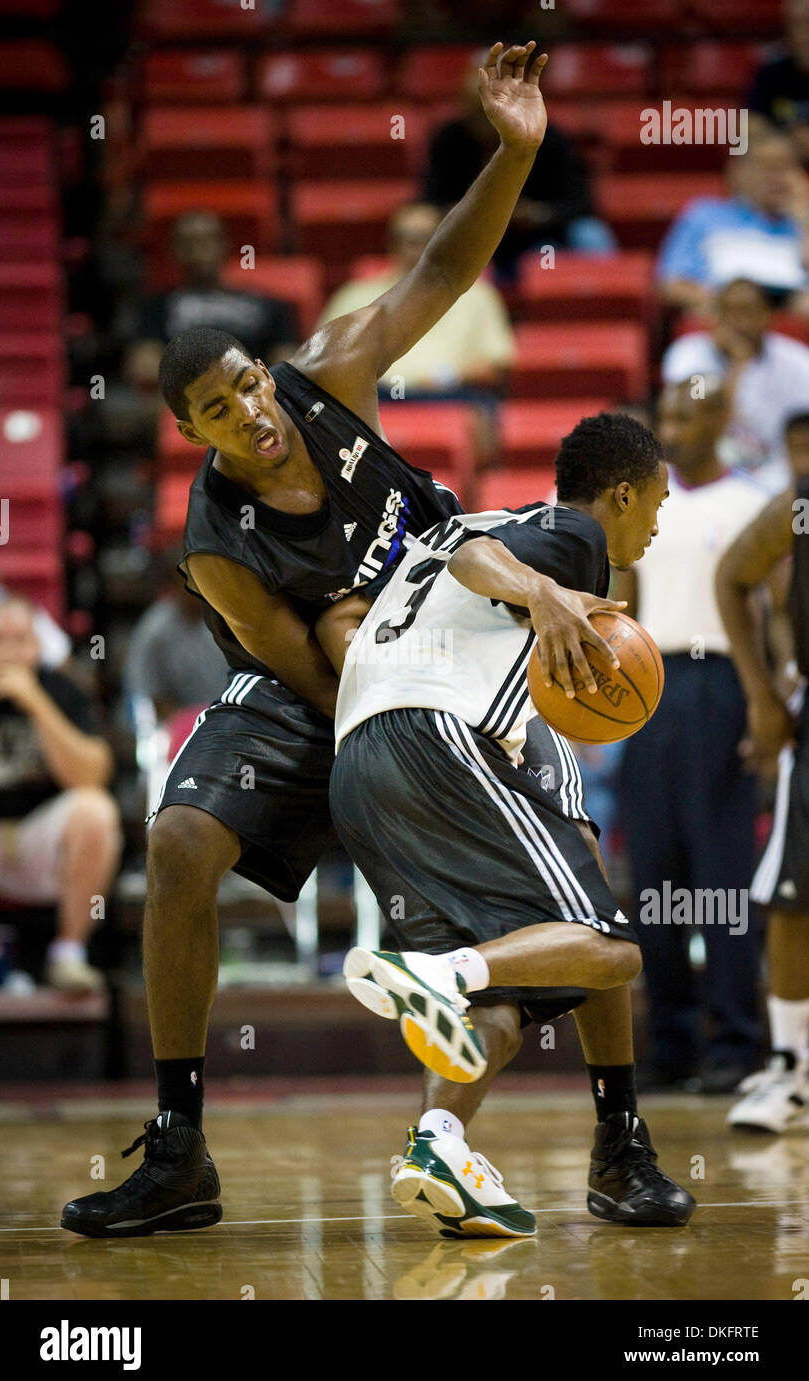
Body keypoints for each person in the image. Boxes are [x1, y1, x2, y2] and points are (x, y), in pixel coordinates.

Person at [60, 41, 629, 1239]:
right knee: (175, 846)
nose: (252, 422)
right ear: (191, 435)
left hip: (438, 633)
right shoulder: (216, 542)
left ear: (269, 374)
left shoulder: (335, 375)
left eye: (251, 392)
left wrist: (512, 152)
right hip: (317, 687)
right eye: (219, 417)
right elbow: (301, 658)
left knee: (562, 863)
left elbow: (440, 266)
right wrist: (390, 703)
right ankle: (180, 1144)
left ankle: (604, 1135)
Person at [320, 414, 695, 1232]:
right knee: (610, 945)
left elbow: (459, 556)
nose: (657, 525)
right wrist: (546, 592)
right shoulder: (566, 534)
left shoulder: (483, 530)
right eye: (655, 505)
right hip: (440, 737)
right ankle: (449, 982)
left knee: (506, 986)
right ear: (621, 493)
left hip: (358, 769)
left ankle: (439, 1145)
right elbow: (474, 560)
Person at [618, 381, 773, 1093]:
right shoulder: (647, 502)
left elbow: (770, 615)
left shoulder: (752, 503)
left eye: (684, 415)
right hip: (649, 686)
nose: (672, 429)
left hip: (722, 686)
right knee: (653, 878)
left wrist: (765, 699)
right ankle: (671, 1045)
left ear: (719, 416)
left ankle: (736, 1044)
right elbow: (627, 606)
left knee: (721, 880)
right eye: (664, 419)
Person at [716, 411, 809, 1132]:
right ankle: (791, 1068)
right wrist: (761, 695)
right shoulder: (796, 506)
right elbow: (732, 576)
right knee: (788, 895)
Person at [0, 598, 120, 992]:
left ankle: (68, 955)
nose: (11, 651)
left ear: (38, 647)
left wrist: (34, 702)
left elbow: (93, 775)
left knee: (96, 811)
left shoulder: (63, 689)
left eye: (21, 640)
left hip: (40, 846)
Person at [422, 52, 614, 278]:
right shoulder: (449, 138)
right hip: (472, 240)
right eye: (478, 112)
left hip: (540, 239)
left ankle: (600, 298)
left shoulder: (545, 136)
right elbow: (430, 202)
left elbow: (581, 202)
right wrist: (476, 212)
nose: (487, 121)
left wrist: (537, 213)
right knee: (421, 227)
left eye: (491, 111)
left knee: (591, 233)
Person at [317, 202, 515, 399]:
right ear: (392, 244)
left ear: (445, 241)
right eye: (408, 240)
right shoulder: (354, 295)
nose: (417, 249)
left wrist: (444, 378)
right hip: (374, 398)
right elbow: (323, 358)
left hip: (452, 395)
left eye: (426, 239)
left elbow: (495, 364)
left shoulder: (478, 295)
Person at [123, 210, 298, 395]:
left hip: (253, 397)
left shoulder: (266, 304)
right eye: (189, 243)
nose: (199, 250)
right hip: (187, 403)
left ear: (225, 244)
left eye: (207, 240)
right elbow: (143, 367)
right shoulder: (156, 306)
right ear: (174, 250)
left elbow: (286, 364)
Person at [661, 276, 809, 486]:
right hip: (711, 467)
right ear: (714, 317)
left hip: (779, 469)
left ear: (767, 315)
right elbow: (695, 413)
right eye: (729, 312)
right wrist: (738, 367)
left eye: (748, 312)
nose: (739, 322)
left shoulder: (798, 361)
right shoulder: (691, 356)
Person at [656, 132, 809, 317]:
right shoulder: (705, 215)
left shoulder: (802, 221)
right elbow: (671, 285)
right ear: (739, 171)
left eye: (785, 168)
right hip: (721, 324)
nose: (776, 178)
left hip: (794, 328)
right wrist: (735, 308)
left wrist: (803, 220)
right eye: (767, 167)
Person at [123, 550, 228, 724]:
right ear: (173, 584)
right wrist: (191, 723)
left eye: (200, 580)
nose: (195, 589)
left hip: (234, 718)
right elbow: (147, 696)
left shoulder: (228, 619)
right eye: (187, 581)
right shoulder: (154, 630)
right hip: (180, 728)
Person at [746, 0, 809, 168]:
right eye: (798, 24)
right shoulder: (771, 72)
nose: (805, 33)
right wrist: (788, 141)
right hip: (786, 165)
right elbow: (751, 126)